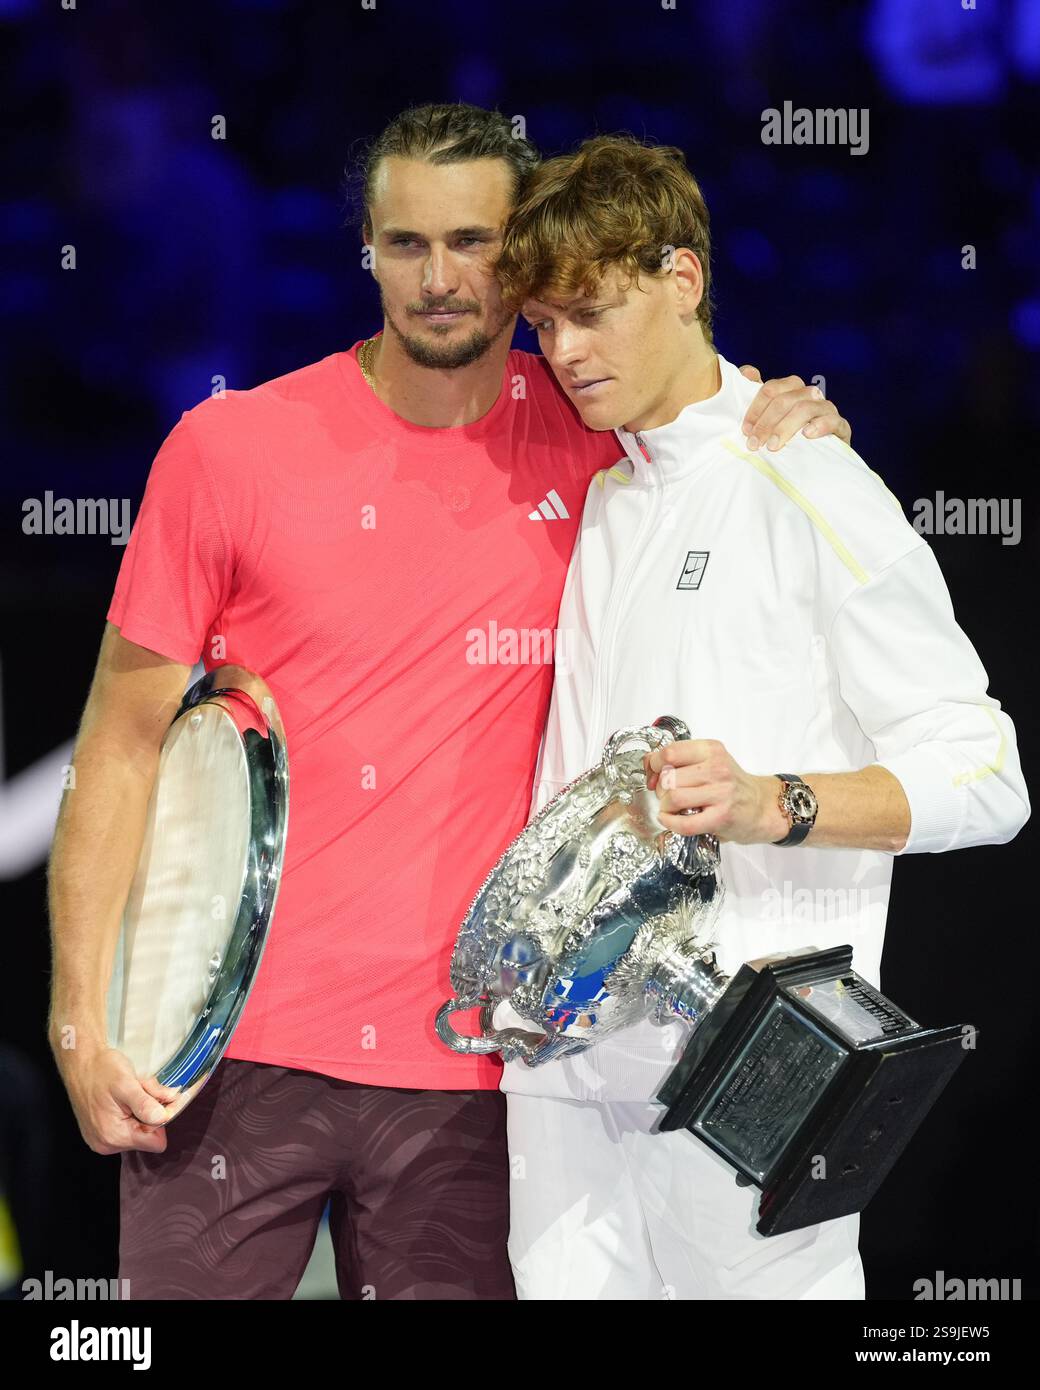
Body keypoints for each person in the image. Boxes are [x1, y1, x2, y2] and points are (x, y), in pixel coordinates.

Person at [48, 103, 853, 1301]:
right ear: (363, 248)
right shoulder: (229, 448)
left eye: (472, 243)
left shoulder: (601, 444)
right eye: (404, 244)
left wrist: (793, 417)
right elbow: (115, 749)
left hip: (483, 1074)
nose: (437, 279)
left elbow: (716, 429)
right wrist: (82, 1021)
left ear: (520, 255)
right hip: (225, 1055)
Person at [491, 133, 1030, 1301]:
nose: (564, 352)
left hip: (753, 1075)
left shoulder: (811, 479)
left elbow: (988, 778)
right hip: (563, 1080)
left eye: (589, 311)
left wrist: (769, 801)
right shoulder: (605, 499)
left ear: (681, 280)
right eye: (542, 325)